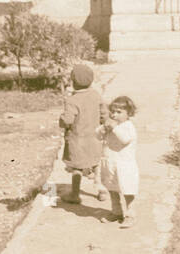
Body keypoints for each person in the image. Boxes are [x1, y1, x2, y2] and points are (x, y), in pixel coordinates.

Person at [58, 63, 102, 204]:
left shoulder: (72, 100)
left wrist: (61, 120)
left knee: (77, 166)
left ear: (73, 81)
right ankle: (102, 191)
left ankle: (75, 194)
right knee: (96, 164)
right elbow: (104, 113)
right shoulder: (96, 95)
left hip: (78, 140)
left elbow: (68, 120)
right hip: (95, 137)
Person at [99, 96, 139, 228]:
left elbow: (125, 139)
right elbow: (98, 136)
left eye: (119, 112)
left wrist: (114, 128)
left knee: (127, 189)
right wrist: (103, 130)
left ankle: (130, 214)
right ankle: (116, 211)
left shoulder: (128, 126)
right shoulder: (111, 125)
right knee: (112, 187)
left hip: (124, 165)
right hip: (110, 163)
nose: (114, 115)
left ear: (129, 113)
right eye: (113, 112)